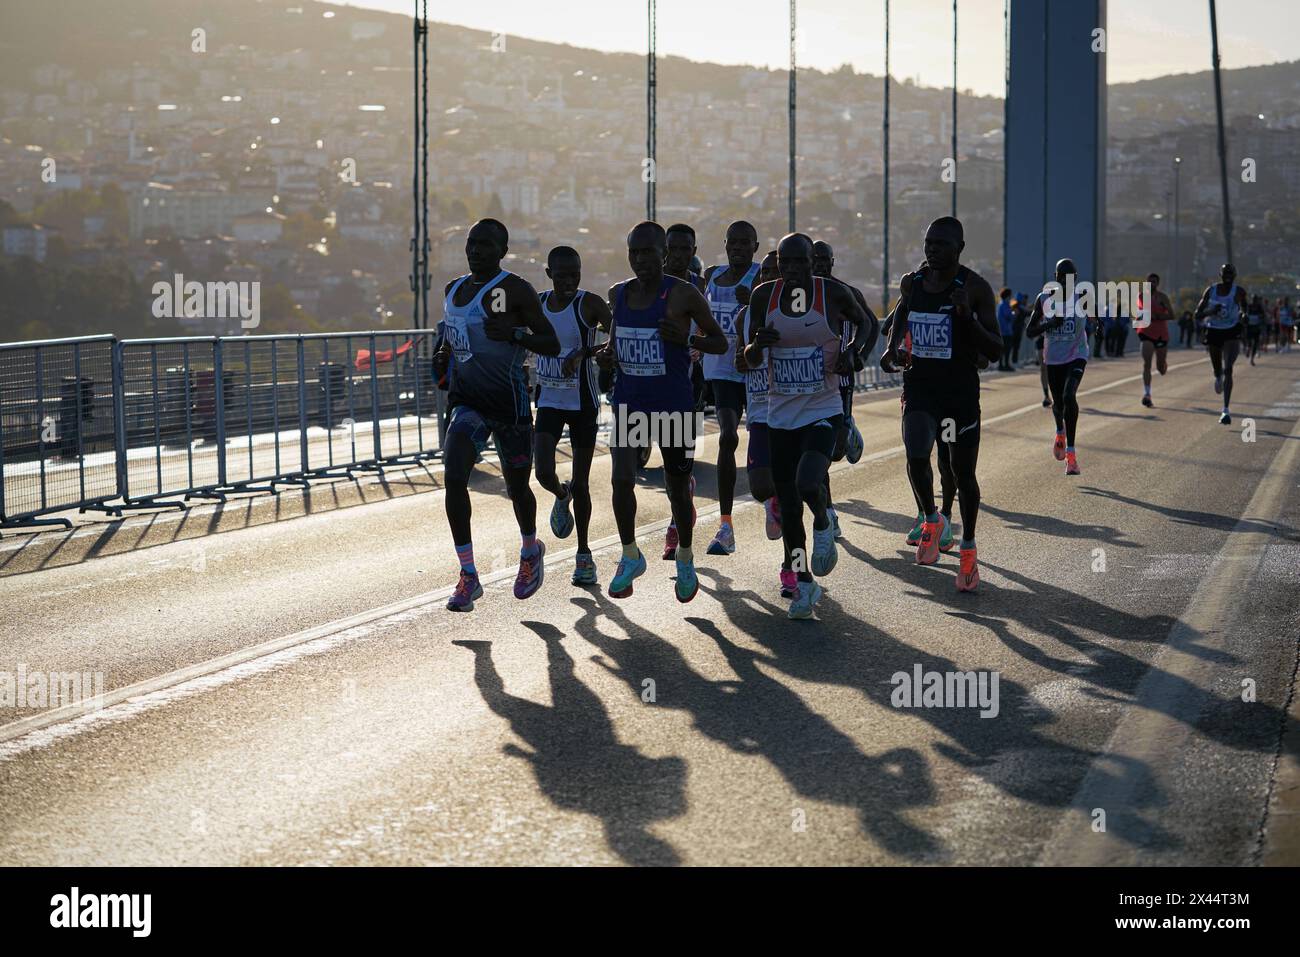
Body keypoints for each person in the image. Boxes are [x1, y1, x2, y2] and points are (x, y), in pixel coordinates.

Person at [596, 221, 728, 602]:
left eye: (648, 252)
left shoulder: (683, 294)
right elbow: (616, 344)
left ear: (663, 254)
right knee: (621, 479)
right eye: (633, 252)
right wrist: (609, 356)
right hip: (630, 402)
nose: (640, 259)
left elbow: (719, 342)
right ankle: (629, 555)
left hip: (673, 405)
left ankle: (685, 556)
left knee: (676, 490)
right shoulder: (618, 294)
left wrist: (687, 338)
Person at [433, 219, 561, 612]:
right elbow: (447, 341)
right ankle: (468, 575)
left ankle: (529, 551)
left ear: (502, 251)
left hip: (510, 405)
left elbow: (551, 343)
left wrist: (517, 335)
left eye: (486, 245)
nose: (476, 251)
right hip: (468, 404)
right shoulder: (452, 289)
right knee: (454, 475)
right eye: (472, 243)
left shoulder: (516, 289)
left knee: (518, 488)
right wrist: (441, 356)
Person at [744, 233, 869, 618]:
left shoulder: (830, 294)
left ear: (811, 262)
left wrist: (855, 353)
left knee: (808, 483)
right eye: (787, 263)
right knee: (789, 509)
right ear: (779, 263)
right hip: (781, 416)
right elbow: (746, 359)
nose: (794, 270)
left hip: (823, 409)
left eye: (801, 262)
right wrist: (757, 346)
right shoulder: (764, 296)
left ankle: (823, 521)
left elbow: (867, 325)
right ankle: (804, 585)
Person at [881, 217, 1002, 592]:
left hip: (960, 393)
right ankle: (932, 519)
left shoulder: (976, 288)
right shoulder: (913, 283)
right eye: (928, 243)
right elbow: (902, 313)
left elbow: (996, 350)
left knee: (960, 472)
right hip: (921, 387)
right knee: (917, 453)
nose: (932, 250)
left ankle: (967, 550)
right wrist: (891, 349)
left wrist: (966, 317)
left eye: (941, 245)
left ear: (959, 249)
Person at [532, 246, 613, 586]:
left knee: (582, 482)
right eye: (561, 275)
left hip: (582, 403)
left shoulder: (589, 303)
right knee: (542, 472)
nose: (568, 281)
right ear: (549, 274)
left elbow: (619, 335)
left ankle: (584, 555)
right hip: (549, 400)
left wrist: (586, 352)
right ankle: (560, 496)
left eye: (574, 274)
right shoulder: (537, 303)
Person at [698, 221, 762, 557]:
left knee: (769, 440)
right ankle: (726, 525)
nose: (737, 247)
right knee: (727, 436)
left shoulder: (763, 277)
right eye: (732, 242)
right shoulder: (712, 275)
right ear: (725, 244)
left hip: (756, 371)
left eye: (744, 242)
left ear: (755, 246)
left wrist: (752, 299)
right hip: (721, 371)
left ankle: (775, 499)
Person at [734, 251, 796, 596]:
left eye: (777, 273)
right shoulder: (745, 315)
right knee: (760, 488)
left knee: (792, 494)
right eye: (765, 273)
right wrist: (755, 346)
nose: (770, 278)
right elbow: (740, 362)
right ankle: (774, 504)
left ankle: (791, 567)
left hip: (793, 414)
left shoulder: (796, 313)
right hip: (759, 413)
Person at [811, 240, 877, 539]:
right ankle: (828, 512)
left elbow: (872, 325)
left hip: (842, 381)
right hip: (810, 383)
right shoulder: (797, 295)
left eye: (824, 259)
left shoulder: (845, 292)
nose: (819, 265)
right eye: (814, 259)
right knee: (819, 452)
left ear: (832, 262)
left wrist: (858, 353)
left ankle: (848, 427)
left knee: (835, 451)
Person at [661, 223, 706, 541]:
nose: (677, 255)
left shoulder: (702, 287)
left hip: (689, 384)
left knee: (678, 469)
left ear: (693, 251)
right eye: (672, 248)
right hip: (648, 386)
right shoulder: (646, 285)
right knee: (625, 475)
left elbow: (715, 335)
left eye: (684, 249)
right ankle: (676, 525)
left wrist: (691, 340)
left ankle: (678, 526)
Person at [1027, 258, 1091, 475]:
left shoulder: (1083, 297)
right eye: (1062, 277)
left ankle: (1071, 456)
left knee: (1068, 396)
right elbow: (1030, 331)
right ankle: (1059, 432)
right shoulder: (1043, 299)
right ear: (1056, 278)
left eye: (1071, 278)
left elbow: (1095, 317)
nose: (1066, 282)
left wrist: (1099, 323)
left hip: (1077, 355)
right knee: (1058, 404)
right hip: (1054, 358)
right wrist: (1049, 324)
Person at [1194, 263, 1248, 425]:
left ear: (1235, 275)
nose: (1228, 277)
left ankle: (1225, 410)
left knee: (1229, 369)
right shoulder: (1211, 291)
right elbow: (1198, 314)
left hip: (1232, 330)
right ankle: (1218, 376)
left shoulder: (1239, 292)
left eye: (1231, 274)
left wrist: (1244, 316)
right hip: (1214, 331)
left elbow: (1245, 310)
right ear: (1221, 275)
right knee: (1219, 369)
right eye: (1225, 274)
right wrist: (1212, 311)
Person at [1136, 272, 1172, 407]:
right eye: (1149, 281)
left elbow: (1171, 315)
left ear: (1158, 283)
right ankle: (1147, 394)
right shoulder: (1141, 296)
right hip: (1146, 333)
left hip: (1161, 334)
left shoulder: (1163, 298)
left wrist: (1159, 316)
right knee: (1147, 364)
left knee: (1160, 369)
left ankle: (1163, 364)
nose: (1151, 284)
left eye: (1154, 282)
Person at [996, 288, 1016, 370]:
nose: (1011, 297)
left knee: (1004, 349)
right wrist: (1014, 313)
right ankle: (1004, 365)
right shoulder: (1004, 305)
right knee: (1006, 349)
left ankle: (1003, 365)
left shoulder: (1001, 304)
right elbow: (1009, 316)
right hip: (1005, 331)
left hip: (1003, 330)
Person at [1245, 294, 1265, 365]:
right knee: (1249, 341)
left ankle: (1252, 359)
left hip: (1256, 327)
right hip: (1249, 326)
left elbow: (1263, 315)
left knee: (1255, 343)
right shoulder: (1249, 306)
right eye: (1253, 300)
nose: (1254, 301)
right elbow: (1245, 314)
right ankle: (1248, 348)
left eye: (1255, 300)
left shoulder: (1259, 307)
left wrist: (1260, 316)